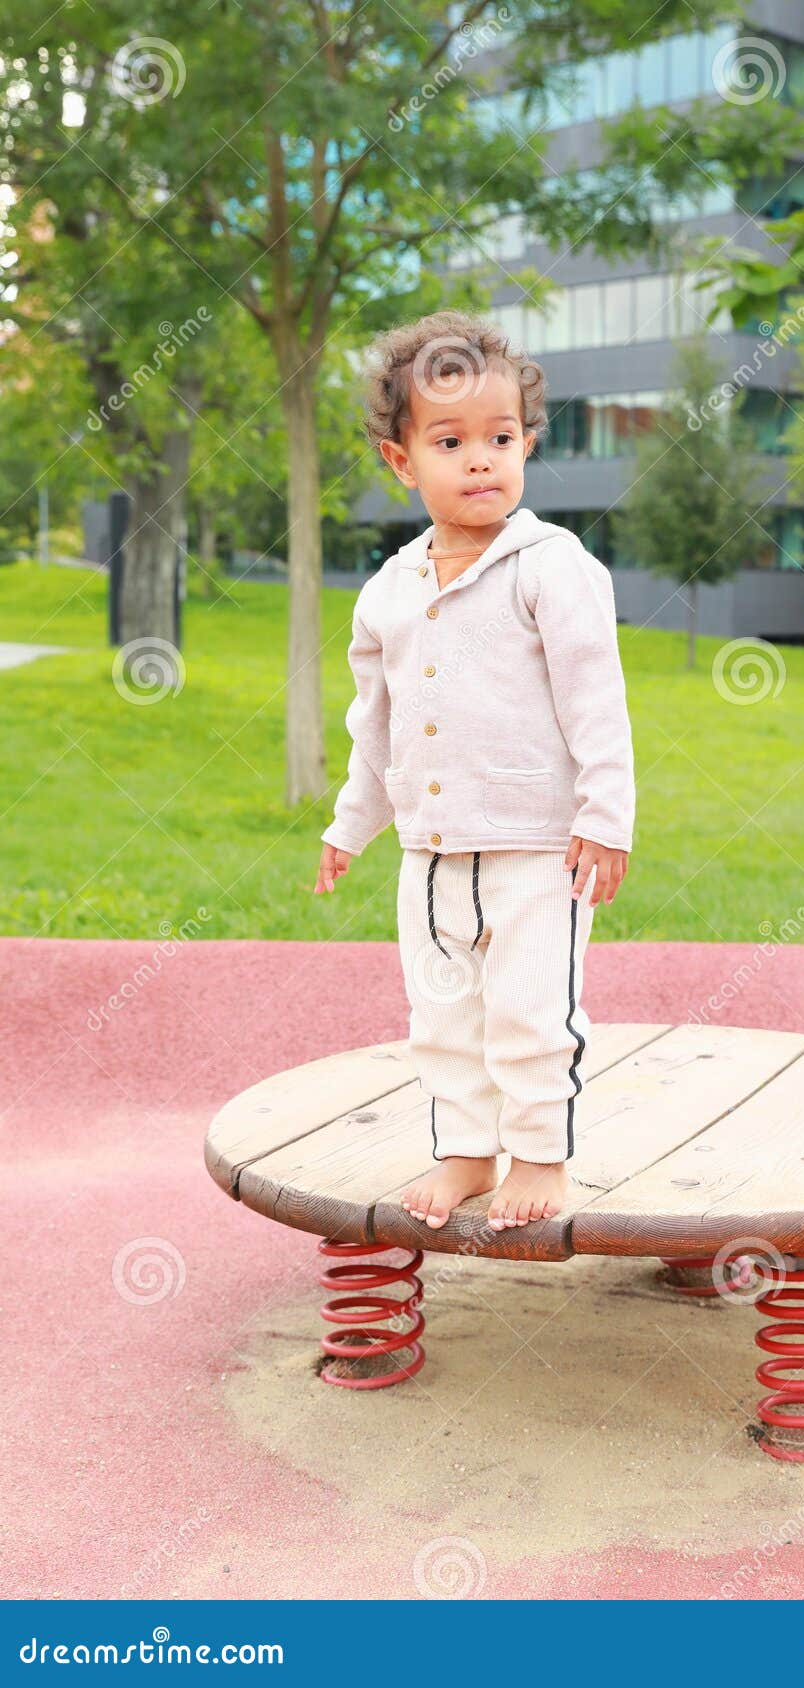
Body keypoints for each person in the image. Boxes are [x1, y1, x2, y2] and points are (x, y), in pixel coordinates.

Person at [313, 311, 636, 1234]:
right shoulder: (389, 591)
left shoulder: (552, 568)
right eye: (451, 441)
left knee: (533, 1014)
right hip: (430, 856)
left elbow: (595, 700)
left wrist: (606, 816)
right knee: (444, 1017)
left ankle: (539, 1157)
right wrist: (350, 825)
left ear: (528, 443)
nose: (481, 459)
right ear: (401, 460)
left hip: (539, 850)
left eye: (501, 438)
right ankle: (465, 1152)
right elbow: (375, 727)